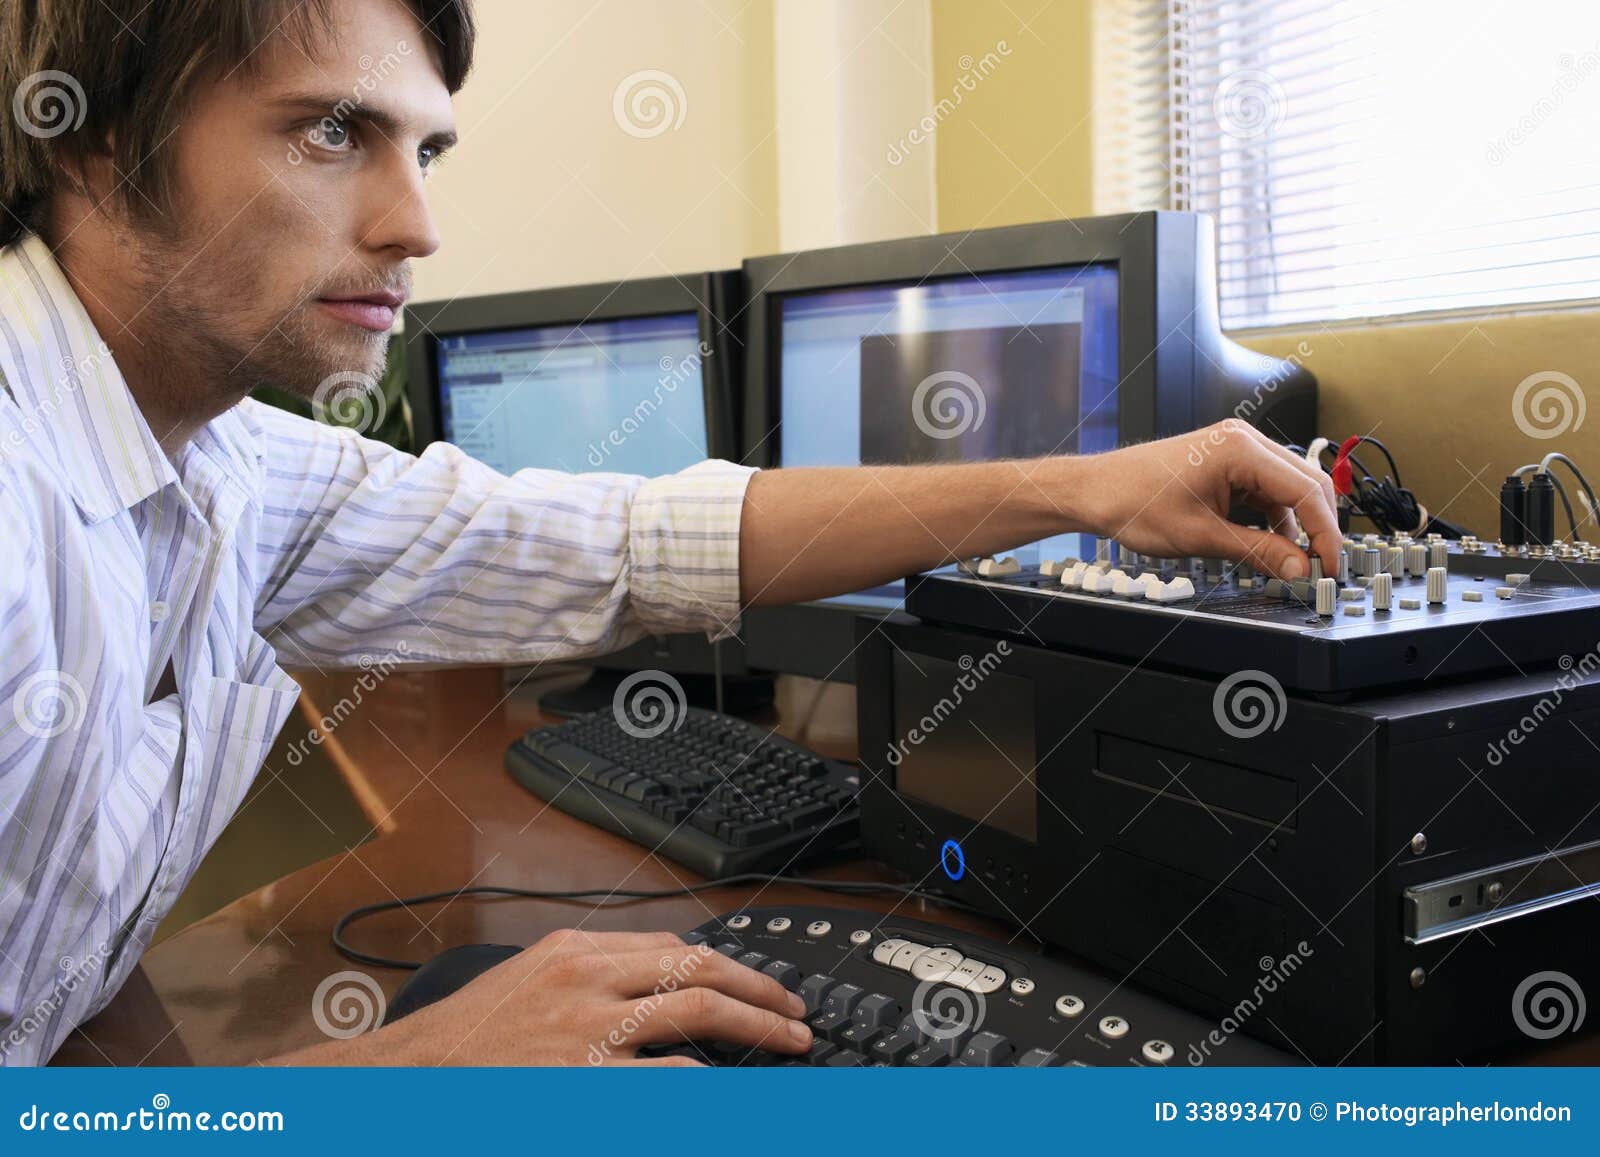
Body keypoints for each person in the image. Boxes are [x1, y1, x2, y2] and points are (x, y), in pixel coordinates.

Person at [0, 0, 1339, 1066]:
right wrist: (416, 1069)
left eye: (423, 149)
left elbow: (632, 542)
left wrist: (1089, 488)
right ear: (91, 138)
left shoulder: (228, 456)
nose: (416, 223)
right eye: (329, 133)